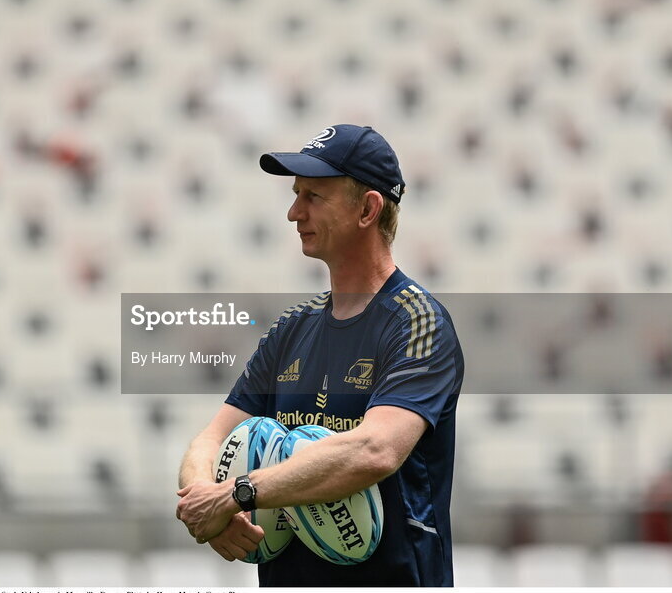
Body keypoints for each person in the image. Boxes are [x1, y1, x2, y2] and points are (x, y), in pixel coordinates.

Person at [175, 124, 464, 586]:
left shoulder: (418, 321)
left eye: (313, 196)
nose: (293, 212)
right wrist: (206, 502)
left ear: (368, 209)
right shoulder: (292, 328)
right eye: (295, 194)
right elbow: (209, 441)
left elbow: (375, 450)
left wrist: (238, 494)